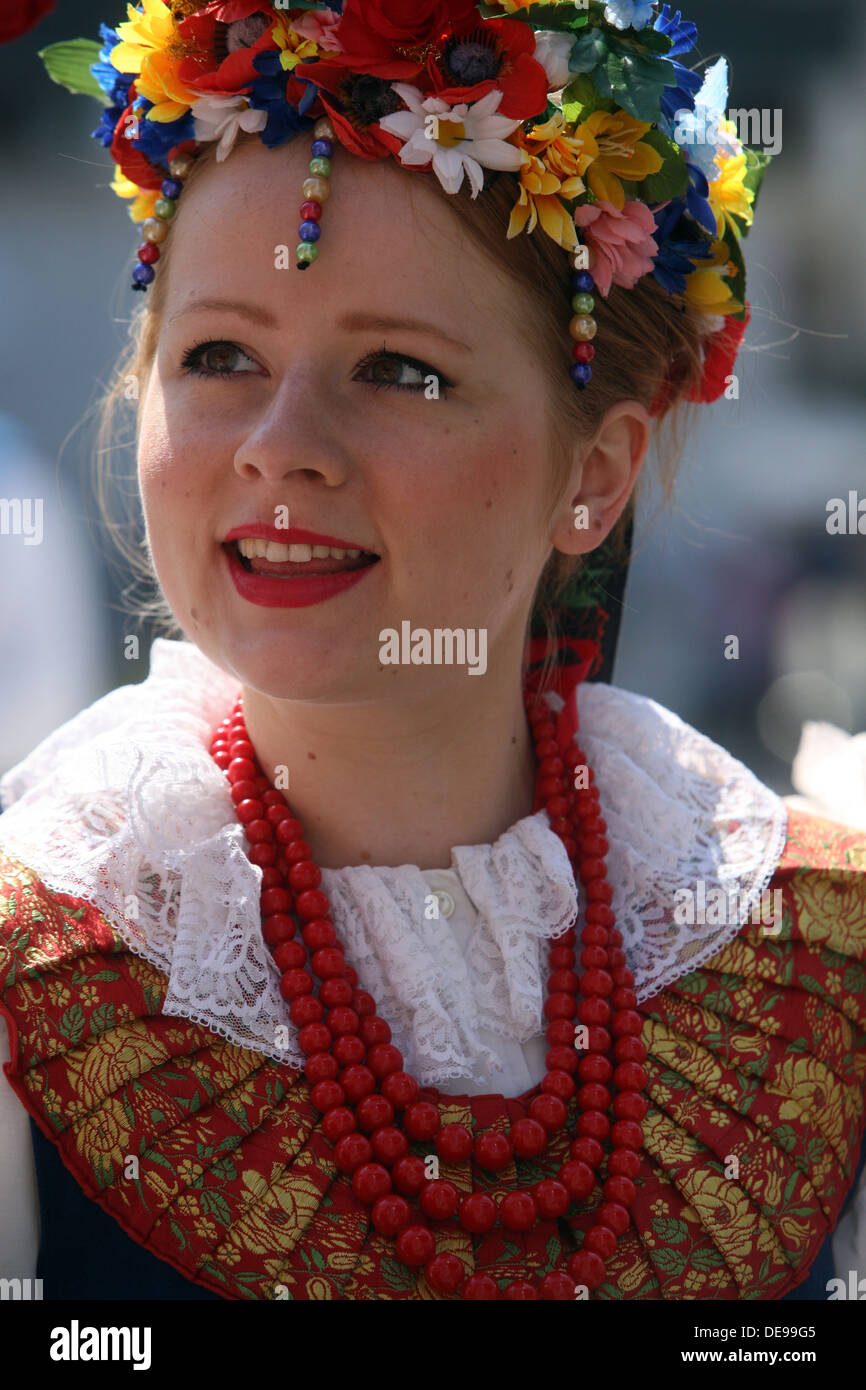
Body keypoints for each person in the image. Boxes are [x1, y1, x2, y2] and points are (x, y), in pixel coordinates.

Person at [0, 0, 864, 1302]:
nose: (280, 442)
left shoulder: (813, 943)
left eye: (400, 372)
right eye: (221, 353)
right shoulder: (38, 971)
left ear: (596, 470)